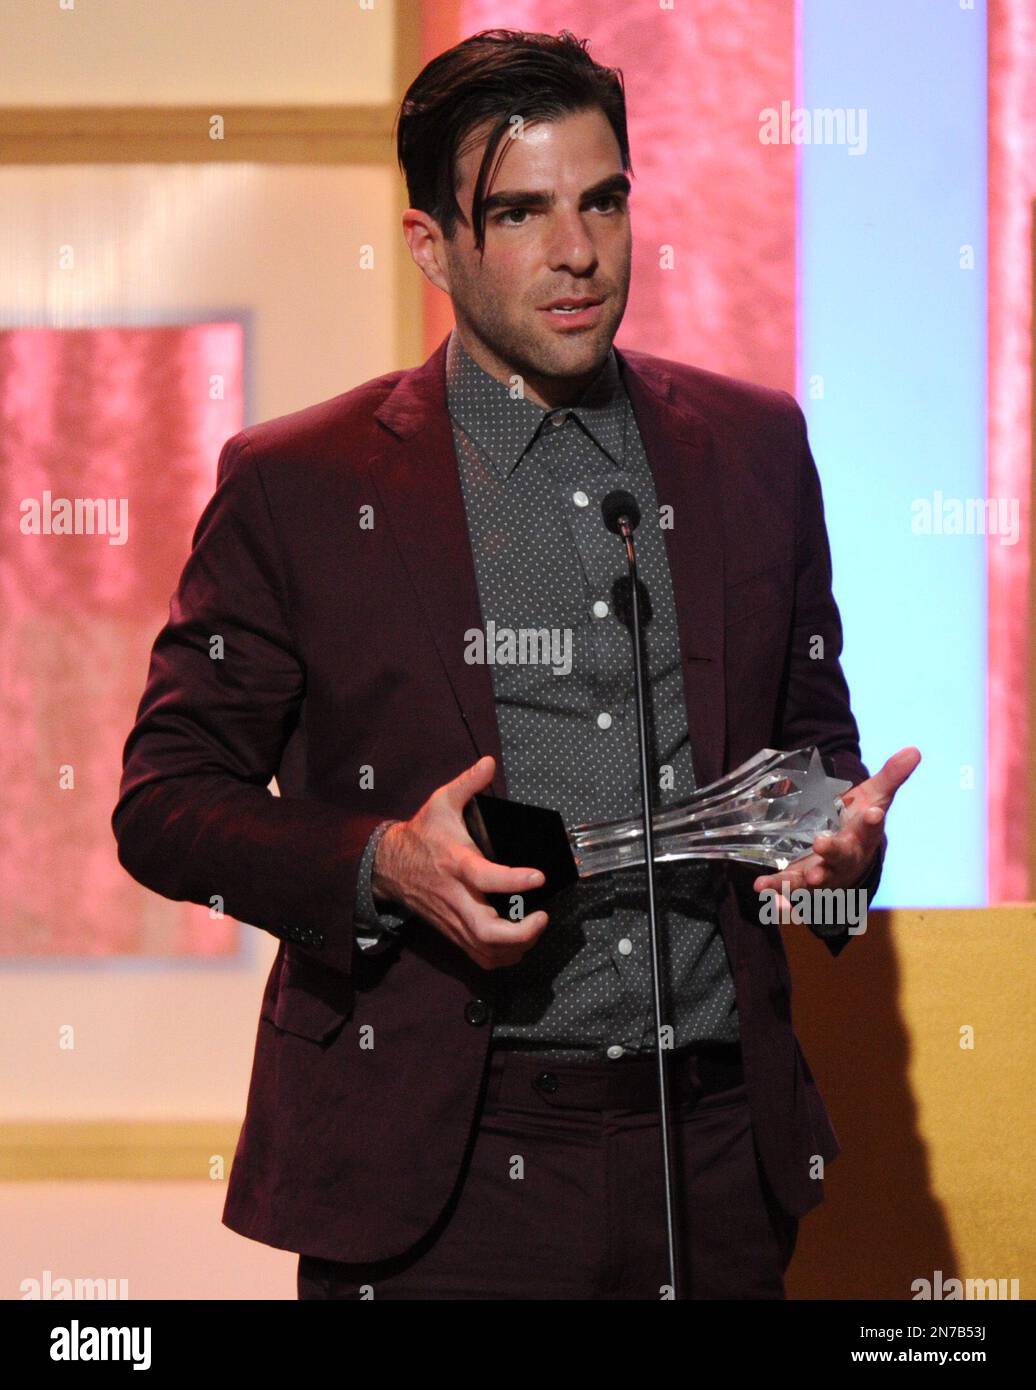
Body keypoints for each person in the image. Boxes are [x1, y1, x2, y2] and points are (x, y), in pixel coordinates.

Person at [112, 28, 919, 1300]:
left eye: (603, 201)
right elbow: (163, 800)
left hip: (707, 1153)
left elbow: (811, 758)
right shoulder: (302, 486)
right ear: (433, 244)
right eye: (522, 212)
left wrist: (837, 858)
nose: (578, 252)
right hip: (444, 1170)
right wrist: (380, 864)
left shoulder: (754, 449)